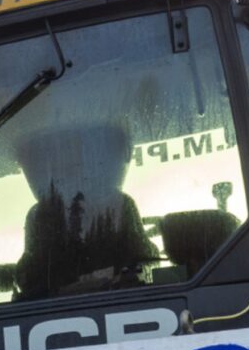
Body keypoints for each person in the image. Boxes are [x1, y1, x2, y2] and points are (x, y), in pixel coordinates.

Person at [9, 123, 156, 301]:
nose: (68, 166)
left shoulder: (39, 214)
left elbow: (29, 275)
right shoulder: (120, 203)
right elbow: (146, 256)